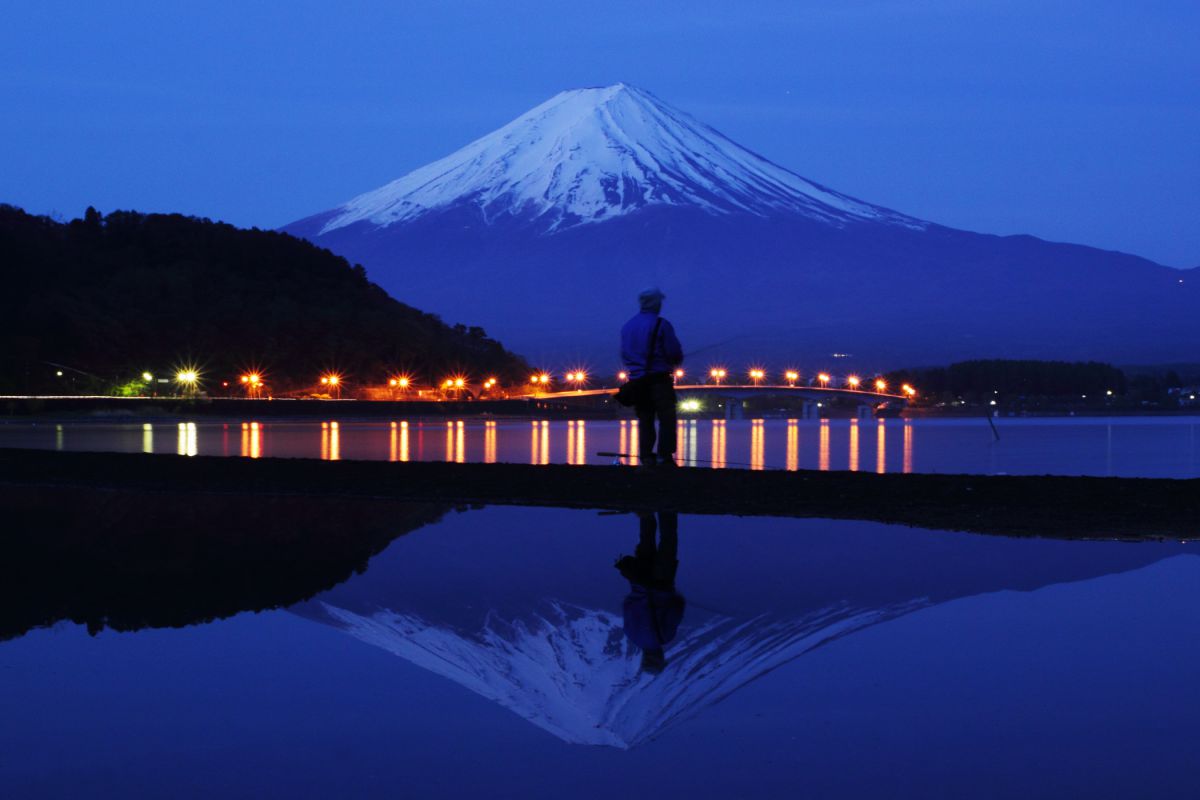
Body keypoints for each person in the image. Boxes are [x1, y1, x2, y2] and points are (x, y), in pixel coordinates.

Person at [614, 510, 685, 674]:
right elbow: (627, 606)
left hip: (663, 582)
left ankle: (667, 510)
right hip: (638, 579)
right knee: (646, 541)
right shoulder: (632, 635)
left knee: (668, 542)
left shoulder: (664, 637)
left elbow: (676, 610)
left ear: (659, 657)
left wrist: (674, 597)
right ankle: (646, 510)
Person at [620, 287, 684, 467]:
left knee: (645, 419)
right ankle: (664, 457)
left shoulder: (628, 326)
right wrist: (673, 360)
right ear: (656, 303)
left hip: (637, 381)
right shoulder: (661, 324)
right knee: (667, 419)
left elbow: (624, 354)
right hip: (659, 380)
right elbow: (674, 353)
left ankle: (646, 457)